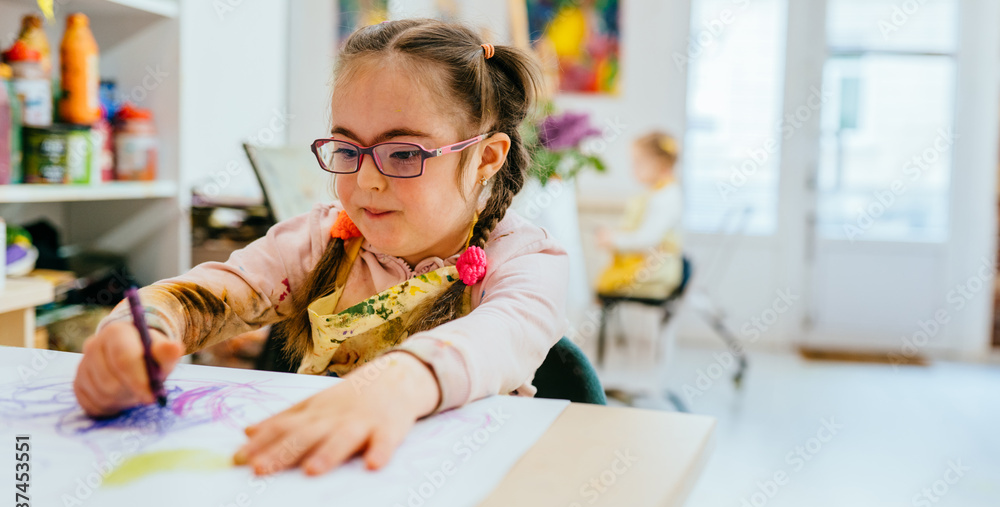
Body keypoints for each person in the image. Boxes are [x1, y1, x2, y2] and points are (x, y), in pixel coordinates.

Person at [72, 19, 568, 477]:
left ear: (486, 157)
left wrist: (398, 384)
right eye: (348, 150)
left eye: (403, 154)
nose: (366, 181)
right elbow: (211, 292)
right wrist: (134, 334)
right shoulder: (323, 238)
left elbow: (499, 335)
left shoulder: (527, 261)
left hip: (462, 483)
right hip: (331, 481)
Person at [596, 131, 683, 299]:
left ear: (660, 165)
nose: (633, 169)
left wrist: (614, 239)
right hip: (657, 264)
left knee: (604, 282)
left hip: (657, 269)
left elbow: (647, 239)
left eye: (638, 164)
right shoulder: (661, 192)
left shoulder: (665, 197)